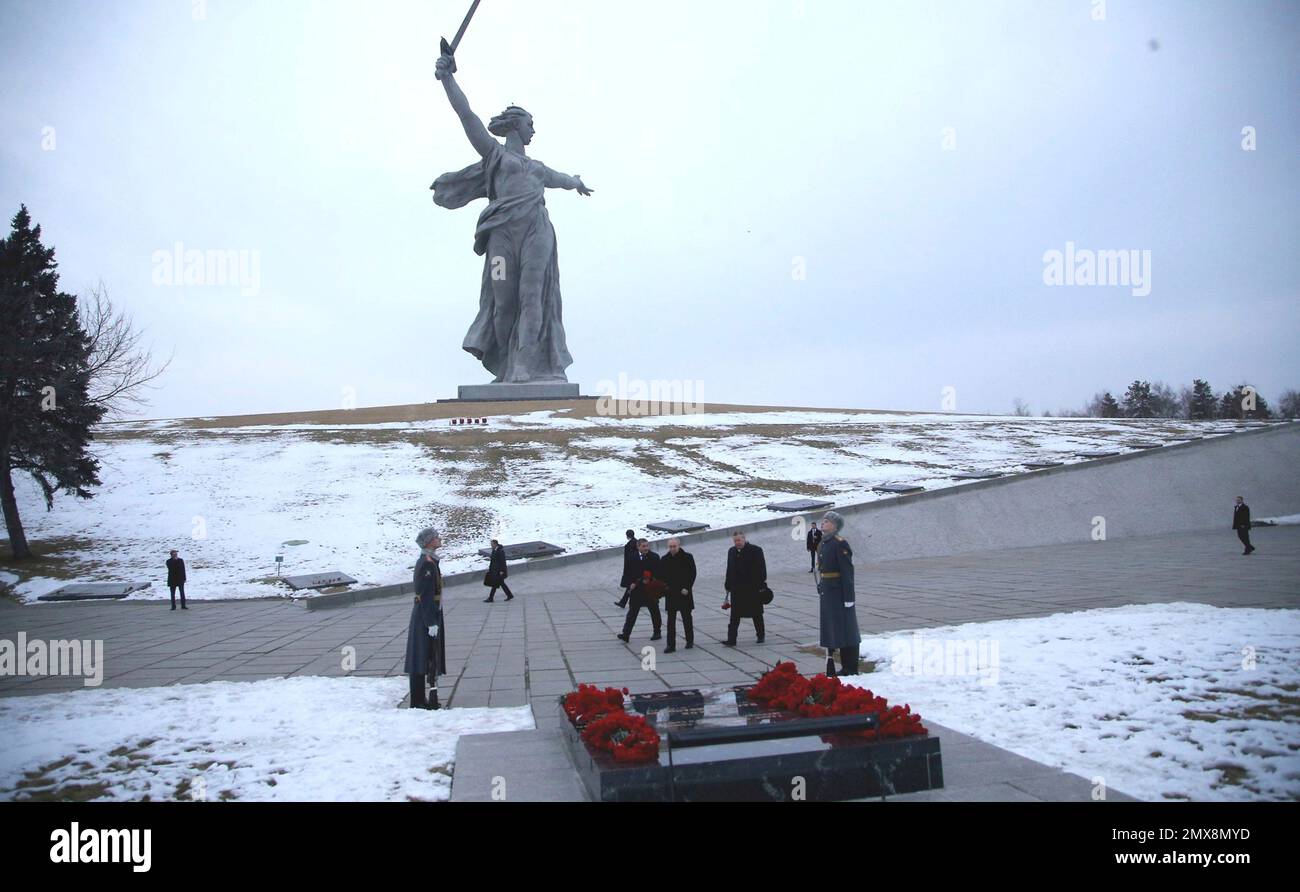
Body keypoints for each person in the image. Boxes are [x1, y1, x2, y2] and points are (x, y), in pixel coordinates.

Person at [432, 49, 592, 384]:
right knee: (503, 300)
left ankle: (525, 364)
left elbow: (562, 179)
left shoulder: (537, 168)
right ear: (516, 126)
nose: (534, 130)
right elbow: (467, 116)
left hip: (536, 232)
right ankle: (506, 365)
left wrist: (576, 182)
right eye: (531, 124)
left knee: (531, 295)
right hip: (502, 238)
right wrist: (448, 78)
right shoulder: (496, 156)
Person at [405, 527, 447, 709]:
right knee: (421, 656)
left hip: (428, 612)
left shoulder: (430, 561)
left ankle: (422, 699)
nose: (439, 539)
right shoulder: (427, 563)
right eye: (436, 537)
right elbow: (426, 594)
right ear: (429, 542)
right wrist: (431, 622)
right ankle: (418, 701)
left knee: (425, 656)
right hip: (425, 615)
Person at [817, 512, 861, 676]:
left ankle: (851, 667)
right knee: (836, 629)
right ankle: (844, 665)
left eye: (827, 521)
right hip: (829, 592)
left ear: (835, 526)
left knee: (847, 628)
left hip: (839, 593)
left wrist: (849, 598)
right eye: (823, 521)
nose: (823, 523)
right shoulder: (825, 543)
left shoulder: (839, 544)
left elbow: (847, 572)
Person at [723, 531, 767, 646]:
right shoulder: (731, 551)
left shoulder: (756, 550)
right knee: (734, 616)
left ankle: (760, 635)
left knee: (756, 613)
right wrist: (727, 585)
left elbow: (762, 570)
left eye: (739, 540)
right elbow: (729, 569)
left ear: (744, 539)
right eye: (735, 541)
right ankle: (731, 639)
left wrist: (760, 585)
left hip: (752, 588)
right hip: (736, 589)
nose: (737, 543)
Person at [617, 539, 662, 643]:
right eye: (643, 546)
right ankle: (626, 634)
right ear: (638, 547)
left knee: (654, 611)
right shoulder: (632, 557)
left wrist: (651, 580)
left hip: (650, 589)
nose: (646, 548)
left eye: (647, 546)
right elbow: (627, 572)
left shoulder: (654, 557)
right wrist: (629, 584)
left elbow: (659, 573)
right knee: (632, 612)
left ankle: (657, 632)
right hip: (636, 590)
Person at [659, 538, 697, 653]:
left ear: (679, 546)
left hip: (684, 592)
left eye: (674, 546)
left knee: (687, 618)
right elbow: (662, 576)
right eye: (670, 546)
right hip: (671, 593)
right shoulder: (665, 559)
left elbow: (692, 573)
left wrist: (687, 587)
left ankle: (689, 640)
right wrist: (665, 588)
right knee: (671, 620)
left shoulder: (687, 557)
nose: (672, 549)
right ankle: (671, 645)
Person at [615, 529, 637, 608]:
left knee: (630, 586)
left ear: (627, 535)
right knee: (632, 586)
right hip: (635, 568)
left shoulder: (629, 545)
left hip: (631, 569)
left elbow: (629, 559)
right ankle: (623, 602)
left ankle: (623, 602)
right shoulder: (637, 542)